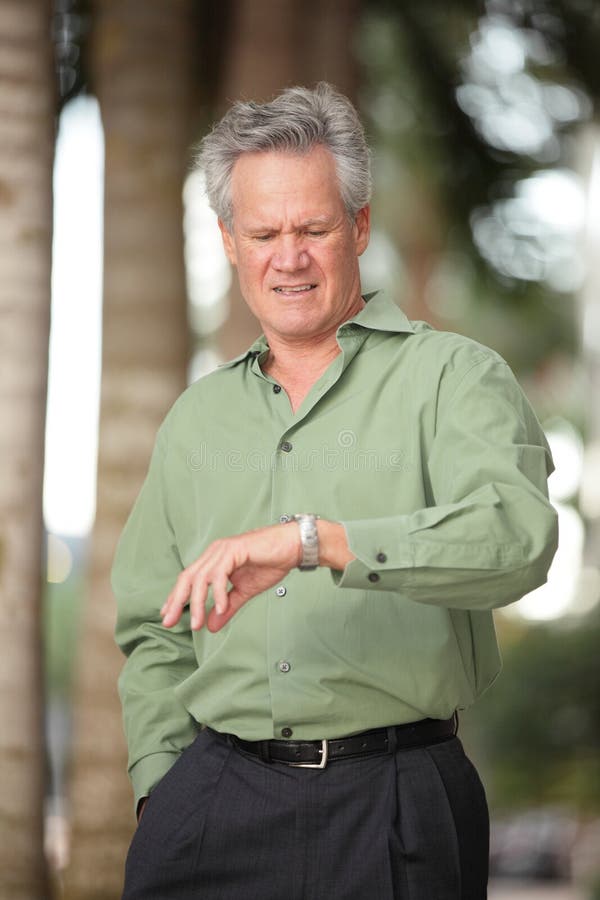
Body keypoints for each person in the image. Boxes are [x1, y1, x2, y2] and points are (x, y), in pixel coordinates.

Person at [113, 82, 558, 899]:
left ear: (358, 226)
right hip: (211, 801)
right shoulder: (194, 420)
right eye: (264, 233)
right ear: (229, 241)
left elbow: (516, 540)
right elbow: (153, 626)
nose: (288, 258)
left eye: (313, 229)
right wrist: (160, 787)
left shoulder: (454, 379)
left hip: (395, 801)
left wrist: (315, 542)